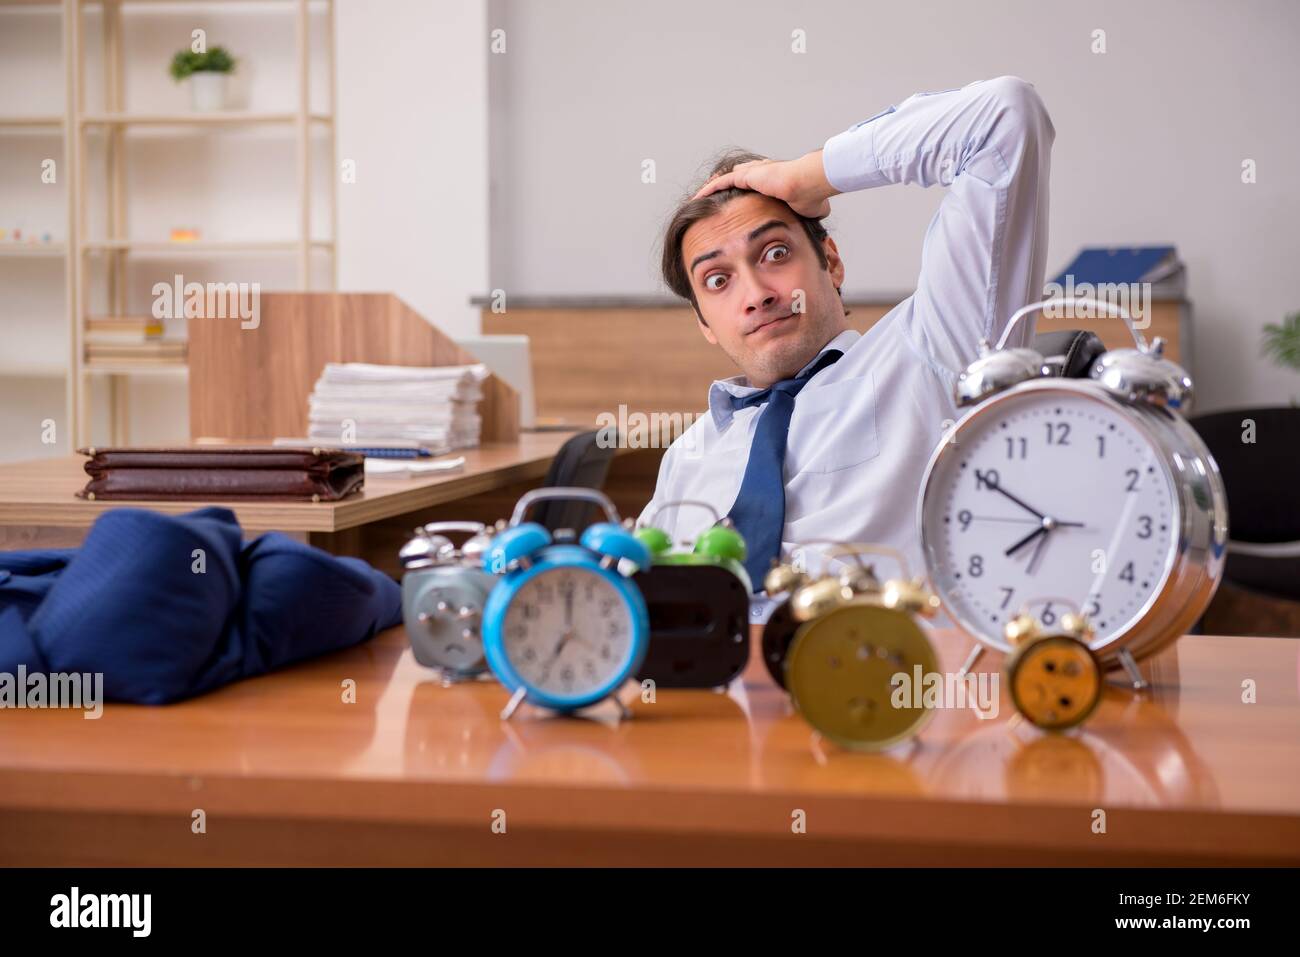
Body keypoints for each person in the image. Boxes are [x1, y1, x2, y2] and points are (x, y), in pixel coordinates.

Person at [639, 75, 1055, 590]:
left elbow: (1004, 117)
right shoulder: (687, 455)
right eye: (718, 280)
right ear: (704, 323)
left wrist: (809, 176)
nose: (756, 294)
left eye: (774, 253)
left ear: (830, 263)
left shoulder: (935, 352)